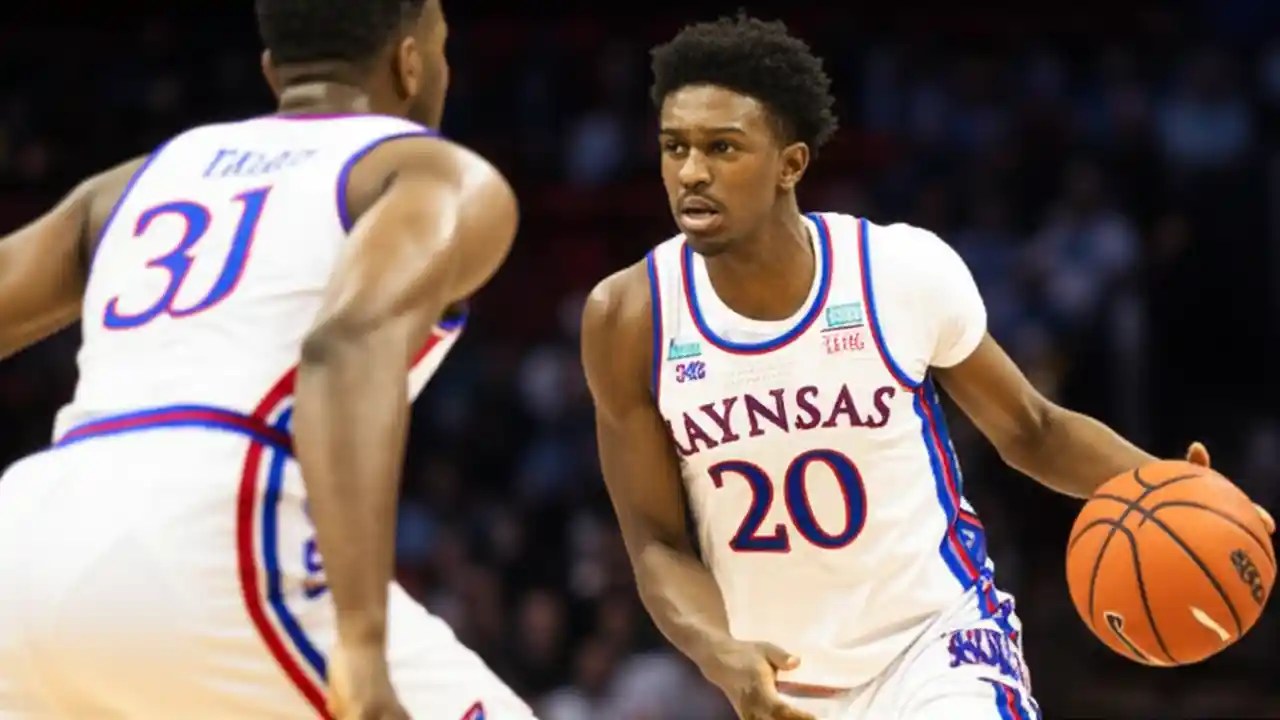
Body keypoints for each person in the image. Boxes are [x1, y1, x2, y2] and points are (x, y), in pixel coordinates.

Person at [579, 14, 1274, 720]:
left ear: (791, 164)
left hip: (938, 648)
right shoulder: (628, 318)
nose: (691, 172)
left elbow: (1030, 428)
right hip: (786, 684)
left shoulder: (896, 271)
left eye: (722, 148)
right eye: (675, 148)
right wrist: (716, 649)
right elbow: (658, 544)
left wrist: (1163, 485)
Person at [0, 1, 534, 718]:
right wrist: (362, 646)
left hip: (28, 540)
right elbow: (344, 348)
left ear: (274, 70)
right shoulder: (433, 174)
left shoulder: (136, 180)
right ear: (411, 61)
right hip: (216, 531)